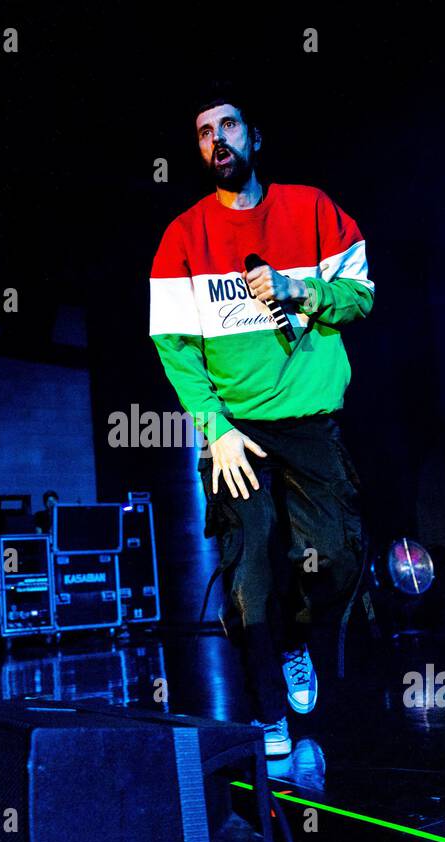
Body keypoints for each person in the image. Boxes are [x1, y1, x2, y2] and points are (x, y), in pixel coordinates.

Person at [148, 83, 373, 755]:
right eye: (202, 132)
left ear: (254, 138)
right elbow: (174, 345)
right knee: (249, 584)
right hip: (235, 433)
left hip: (309, 423)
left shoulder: (312, 209)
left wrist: (301, 287)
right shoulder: (183, 236)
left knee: (334, 559)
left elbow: (360, 298)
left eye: (228, 126)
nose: (217, 140)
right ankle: (268, 714)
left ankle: (298, 638)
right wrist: (214, 428)